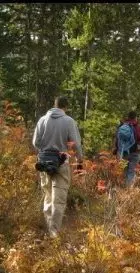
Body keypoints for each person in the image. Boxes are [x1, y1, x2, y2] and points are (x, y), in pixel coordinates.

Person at [32, 96, 83, 238]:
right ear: (65, 107)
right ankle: (54, 235)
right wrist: (80, 160)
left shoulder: (42, 120)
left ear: (54, 105)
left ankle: (50, 231)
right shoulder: (69, 121)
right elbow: (76, 144)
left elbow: (35, 142)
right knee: (58, 201)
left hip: (43, 163)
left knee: (47, 198)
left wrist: (45, 150)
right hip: (61, 164)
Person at [113, 111, 140, 187]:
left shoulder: (122, 127)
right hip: (135, 154)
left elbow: (117, 141)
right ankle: (127, 190)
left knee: (123, 171)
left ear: (128, 117)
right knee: (131, 172)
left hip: (123, 153)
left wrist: (118, 150)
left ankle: (120, 188)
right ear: (136, 117)